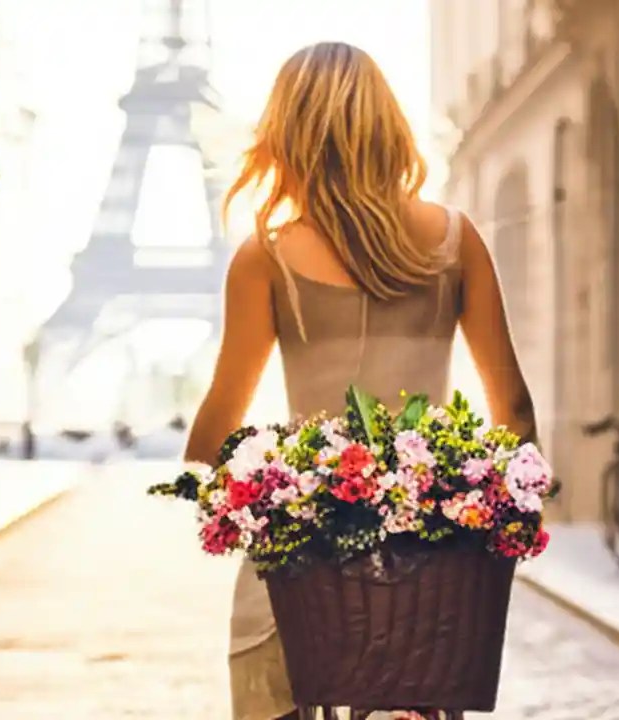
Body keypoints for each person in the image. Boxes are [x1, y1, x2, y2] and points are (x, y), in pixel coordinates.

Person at [182, 41, 537, 720]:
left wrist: (251, 476)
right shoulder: (456, 240)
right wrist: (496, 507)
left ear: (287, 133)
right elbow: (513, 407)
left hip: (302, 575)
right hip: (426, 578)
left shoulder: (267, 258)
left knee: (271, 683)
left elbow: (215, 431)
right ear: (388, 125)